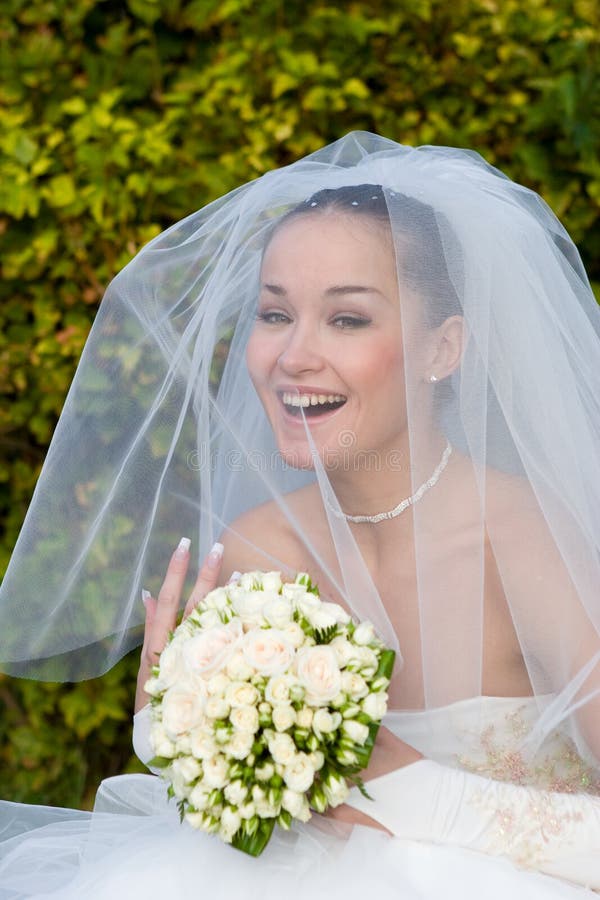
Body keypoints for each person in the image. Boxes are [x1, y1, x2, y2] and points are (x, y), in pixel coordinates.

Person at [0, 132, 599, 898]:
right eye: (274, 314)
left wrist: (410, 792)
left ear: (442, 347)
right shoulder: (257, 548)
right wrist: (188, 739)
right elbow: (255, 836)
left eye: (347, 320)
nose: (292, 357)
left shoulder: (526, 540)